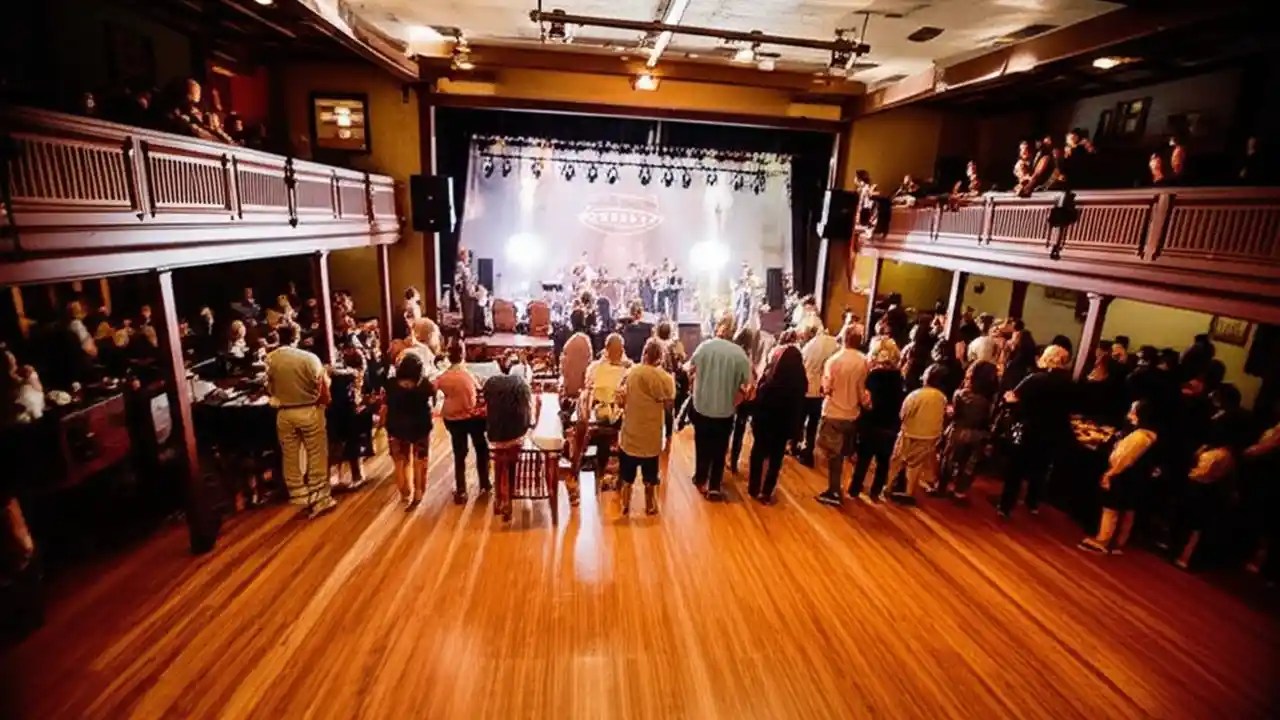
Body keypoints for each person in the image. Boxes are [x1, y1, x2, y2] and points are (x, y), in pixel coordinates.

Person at [265, 323, 335, 518]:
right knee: (316, 453)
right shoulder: (309, 358)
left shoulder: (271, 359)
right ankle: (320, 497)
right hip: (308, 409)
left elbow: (268, 387)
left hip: (284, 412)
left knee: (290, 454)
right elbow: (323, 388)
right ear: (297, 337)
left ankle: (298, 495)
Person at [999, 345, 1074, 518]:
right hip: (1054, 430)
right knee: (1040, 469)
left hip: (1029, 427)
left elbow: (1012, 398)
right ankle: (1033, 503)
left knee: (1015, 469)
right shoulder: (1069, 382)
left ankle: (1006, 506)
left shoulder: (1035, 379)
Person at [1079, 400, 1160, 554]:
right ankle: (1118, 543)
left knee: (1111, 508)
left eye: (1133, 410)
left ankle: (1103, 540)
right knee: (1128, 509)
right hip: (1138, 477)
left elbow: (1122, 458)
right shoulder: (1152, 435)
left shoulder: (1139, 436)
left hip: (1124, 475)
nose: (1130, 414)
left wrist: (1111, 473)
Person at [685, 315, 751, 501]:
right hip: (725, 410)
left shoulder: (704, 347)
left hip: (702, 406)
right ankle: (714, 485)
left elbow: (690, 369)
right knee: (720, 448)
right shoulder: (739, 354)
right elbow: (747, 386)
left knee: (702, 444)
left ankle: (700, 477)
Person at [616, 339, 676, 516]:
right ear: (660, 357)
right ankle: (650, 504)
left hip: (632, 430)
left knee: (628, 471)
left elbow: (620, 399)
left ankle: (625, 503)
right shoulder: (665, 379)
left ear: (645, 353)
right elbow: (669, 403)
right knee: (651, 471)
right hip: (651, 433)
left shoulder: (631, 373)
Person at [815, 326, 869, 507]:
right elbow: (863, 392)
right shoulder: (864, 361)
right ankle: (841, 487)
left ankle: (834, 490)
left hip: (833, 412)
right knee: (845, 454)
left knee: (833, 456)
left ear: (844, 338)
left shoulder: (833, 360)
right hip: (852, 414)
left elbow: (827, 389)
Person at [747, 342, 807, 504]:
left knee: (758, 453)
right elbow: (799, 408)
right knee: (776, 458)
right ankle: (766, 491)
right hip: (784, 425)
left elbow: (759, 401)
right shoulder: (800, 382)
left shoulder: (770, 380)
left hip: (765, 423)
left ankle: (753, 487)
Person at [1172, 423, 1236, 569]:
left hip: (1199, 488)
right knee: (1197, 527)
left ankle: (1181, 555)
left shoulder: (1214, 454)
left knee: (1190, 523)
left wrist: (1191, 471)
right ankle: (1186, 557)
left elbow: (1199, 473)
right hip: (1211, 490)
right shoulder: (1230, 456)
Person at [849, 337, 905, 501]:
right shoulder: (898, 377)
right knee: (883, 461)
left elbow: (867, 401)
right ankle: (875, 491)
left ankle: (855, 488)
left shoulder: (873, 376)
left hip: (871, 423)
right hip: (890, 424)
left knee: (863, 460)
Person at [932, 361, 998, 499]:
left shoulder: (961, 394)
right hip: (978, 434)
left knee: (948, 460)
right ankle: (960, 491)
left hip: (958, 430)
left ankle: (941, 486)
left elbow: (955, 414)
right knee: (968, 465)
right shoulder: (991, 399)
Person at [436, 342, 491, 503]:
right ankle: (485, 483)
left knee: (459, 453)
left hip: (453, 419)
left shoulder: (443, 376)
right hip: (474, 417)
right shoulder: (469, 375)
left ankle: (461, 490)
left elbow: (433, 388)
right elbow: (480, 390)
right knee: (481, 449)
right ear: (464, 354)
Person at [883, 365, 948, 504]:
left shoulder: (915, 395)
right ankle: (908, 492)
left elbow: (903, 414)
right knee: (915, 465)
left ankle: (888, 486)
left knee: (897, 460)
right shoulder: (942, 397)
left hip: (909, 432)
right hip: (929, 436)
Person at [483, 363, 537, 518]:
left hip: (496, 435)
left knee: (499, 465)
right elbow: (529, 416)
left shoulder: (492, 384)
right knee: (512, 466)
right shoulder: (522, 386)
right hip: (516, 435)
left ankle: (499, 499)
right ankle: (509, 500)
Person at [582, 333, 632, 490]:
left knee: (605, 428)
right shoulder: (628, 371)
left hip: (600, 414)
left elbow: (587, 387)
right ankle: (620, 473)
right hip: (617, 417)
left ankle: (602, 468)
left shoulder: (595, 368)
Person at [385, 352, 434, 510]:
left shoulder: (391, 384)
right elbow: (432, 401)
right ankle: (418, 493)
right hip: (420, 426)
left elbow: (386, 403)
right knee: (420, 460)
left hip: (396, 425)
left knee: (400, 460)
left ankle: (403, 491)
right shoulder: (424, 385)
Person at [797, 320, 840, 466]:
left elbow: (802, 365)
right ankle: (808, 450)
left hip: (806, 387)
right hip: (820, 390)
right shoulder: (832, 344)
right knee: (813, 423)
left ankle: (796, 446)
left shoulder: (810, 346)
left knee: (800, 419)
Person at [728, 326, 761, 474]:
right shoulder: (749, 356)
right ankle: (734, 461)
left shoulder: (736, 356)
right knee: (741, 430)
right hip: (749, 398)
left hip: (739, 397)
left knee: (732, 428)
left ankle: (731, 460)